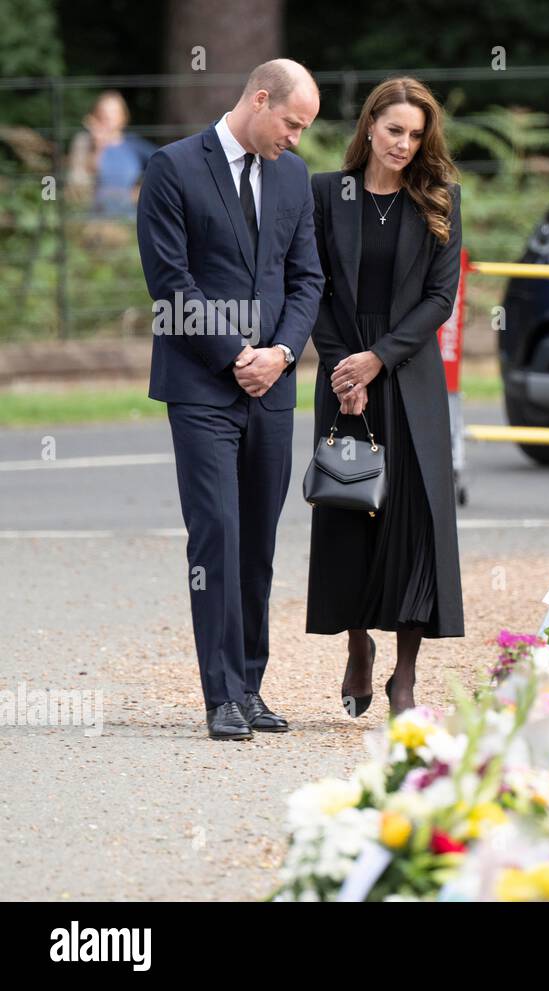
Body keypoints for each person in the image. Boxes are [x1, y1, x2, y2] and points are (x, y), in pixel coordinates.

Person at [136, 60, 325, 740]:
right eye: (292, 124)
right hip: (201, 385)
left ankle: (250, 684)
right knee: (217, 533)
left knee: (260, 540)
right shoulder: (174, 166)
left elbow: (307, 279)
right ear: (260, 98)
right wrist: (234, 355)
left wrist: (278, 354)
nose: (297, 139)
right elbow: (170, 282)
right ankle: (220, 695)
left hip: (273, 385)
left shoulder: (294, 177)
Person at [305, 76, 465, 716]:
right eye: (394, 129)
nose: (403, 143)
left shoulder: (440, 198)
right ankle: (357, 646)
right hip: (343, 370)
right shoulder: (326, 192)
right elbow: (309, 283)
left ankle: (405, 673)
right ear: (370, 125)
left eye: (415, 134)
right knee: (350, 507)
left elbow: (440, 299)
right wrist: (345, 366)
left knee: (414, 520)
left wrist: (379, 359)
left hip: (409, 373)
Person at [68, 90, 155, 218]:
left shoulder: (134, 145)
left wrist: (142, 192)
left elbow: (164, 164)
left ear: (123, 117)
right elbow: (78, 183)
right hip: (92, 217)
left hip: (128, 218)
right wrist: (98, 147)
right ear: (94, 115)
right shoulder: (83, 142)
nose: (107, 117)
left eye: (113, 112)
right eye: (102, 112)